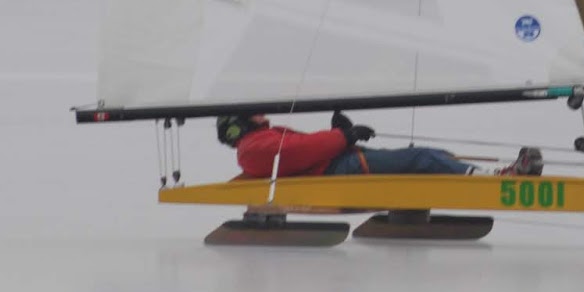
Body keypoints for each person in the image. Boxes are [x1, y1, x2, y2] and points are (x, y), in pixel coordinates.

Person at [216, 111, 544, 180]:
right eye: (254, 114)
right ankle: (498, 180)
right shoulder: (253, 148)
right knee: (422, 157)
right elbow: (298, 152)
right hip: (338, 169)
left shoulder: (259, 140)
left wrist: (338, 135)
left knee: (433, 156)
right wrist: (344, 137)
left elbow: (302, 147)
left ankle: (491, 173)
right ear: (238, 125)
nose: (262, 113)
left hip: (338, 162)